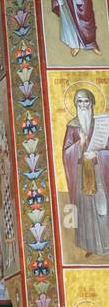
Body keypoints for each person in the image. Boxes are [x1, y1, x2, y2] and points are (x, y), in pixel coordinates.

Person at [62, 88, 109, 257]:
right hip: (82, 173)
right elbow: (66, 152)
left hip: (99, 171)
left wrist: (98, 154)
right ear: (75, 104)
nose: (83, 105)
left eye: (86, 101)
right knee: (86, 210)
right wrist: (79, 144)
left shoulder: (101, 124)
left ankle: (105, 244)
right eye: (80, 102)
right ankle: (90, 245)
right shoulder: (72, 126)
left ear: (92, 103)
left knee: (102, 207)